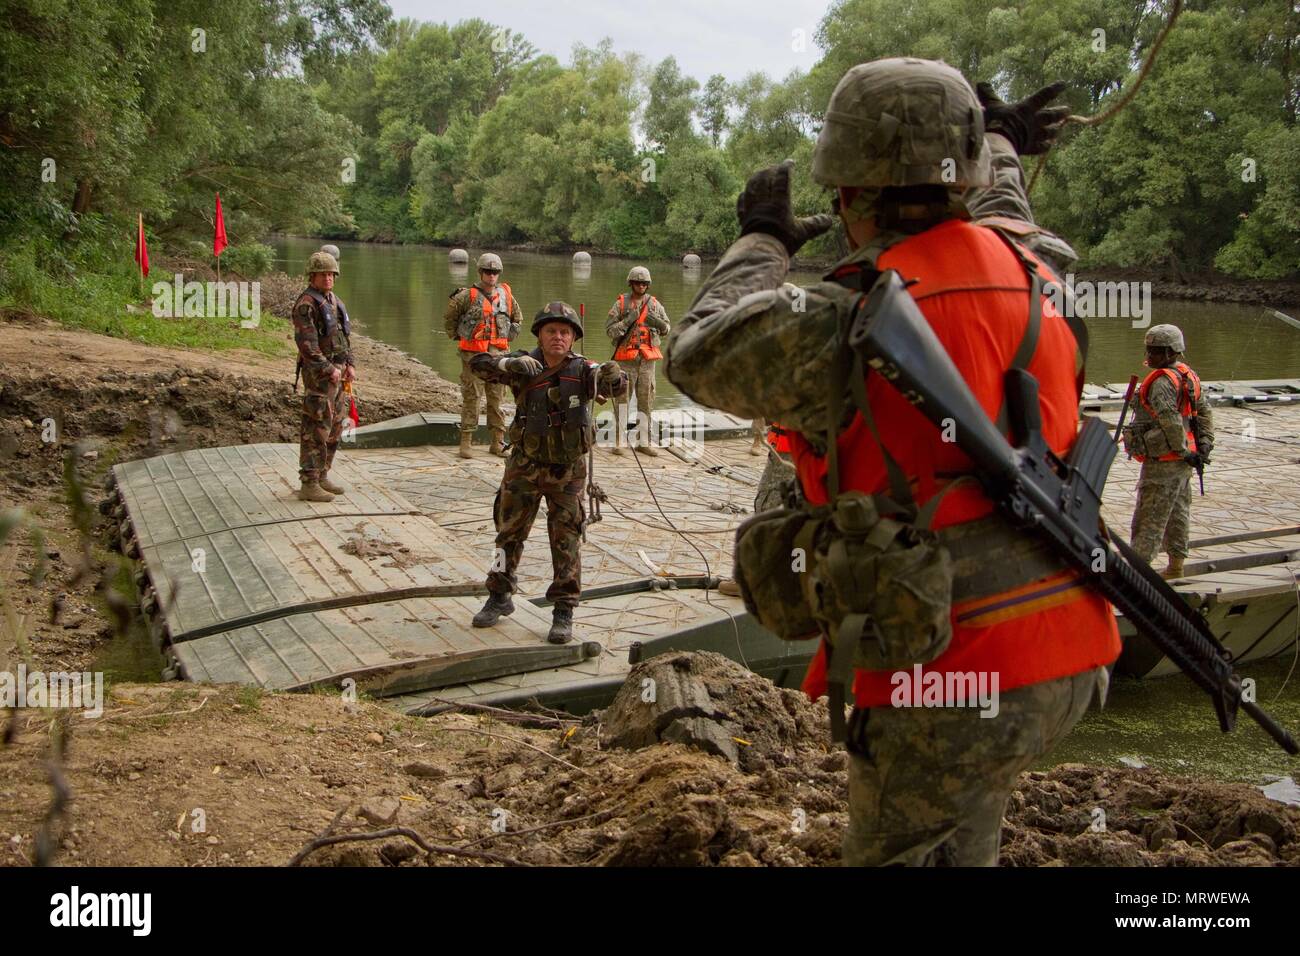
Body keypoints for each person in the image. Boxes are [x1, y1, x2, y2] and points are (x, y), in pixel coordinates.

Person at [666, 58, 1121, 866]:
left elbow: (696, 352)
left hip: (951, 672)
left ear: (844, 195)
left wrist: (761, 239)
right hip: (1070, 654)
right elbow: (1007, 211)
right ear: (968, 180)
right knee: (966, 821)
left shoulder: (836, 324)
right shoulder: (1042, 270)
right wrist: (1005, 144)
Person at [469, 301, 627, 643]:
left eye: (565, 332)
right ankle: (499, 595)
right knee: (507, 534)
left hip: (567, 472)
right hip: (524, 465)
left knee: (566, 539)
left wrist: (615, 375)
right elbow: (477, 364)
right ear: (539, 334)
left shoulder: (585, 371)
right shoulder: (524, 365)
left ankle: (564, 610)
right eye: (551, 331)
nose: (558, 337)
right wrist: (508, 361)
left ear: (573, 338)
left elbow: (616, 386)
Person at [1122, 324, 1214, 578]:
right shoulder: (1188, 376)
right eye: (1149, 349)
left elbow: (1170, 420)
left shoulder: (1163, 382)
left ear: (1171, 352)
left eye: (1156, 351)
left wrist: (1185, 452)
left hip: (1165, 460)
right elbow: (1204, 413)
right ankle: (1175, 567)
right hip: (1184, 460)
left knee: (1149, 518)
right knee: (1177, 513)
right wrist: (1204, 444)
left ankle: (1137, 574)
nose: (1150, 355)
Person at [443, 252, 523, 459]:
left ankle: (497, 442)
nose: (491, 276)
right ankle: (466, 441)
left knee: (496, 400)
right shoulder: (466, 296)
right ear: (480, 272)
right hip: (472, 355)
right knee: (472, 397)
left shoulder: (506, 295)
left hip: (498, 356)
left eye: (495, 272)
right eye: (487, 271)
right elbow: (450, 318)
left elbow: (518, 318)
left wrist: (507, 336)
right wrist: (458, 337)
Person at [293, 251, 354, 502]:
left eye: (331, 274)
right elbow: (307, 346)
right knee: (316, 427)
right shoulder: (306, 304)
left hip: (338, 374)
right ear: (313, 276)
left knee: (336, 425)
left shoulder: (334, 301)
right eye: (323, 274)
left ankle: (323, 473)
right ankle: (309, 481)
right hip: (319, 376)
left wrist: (350, 364)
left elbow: (343, 337)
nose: (328, 278)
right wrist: (329, 369)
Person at [605, 266, 671, 455]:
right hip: (626, 362)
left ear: (648, 285)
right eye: (637, 283)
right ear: (631, 283)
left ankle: (643, 441)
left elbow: (667, 328)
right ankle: (619, 440)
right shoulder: (621, 305)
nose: (641, 286)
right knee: (622, 400)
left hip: (647, 363)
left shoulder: (655, 305)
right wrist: (627, 321)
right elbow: (609, 331)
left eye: (644, 283)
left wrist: (656, 322)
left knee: (646, 401)